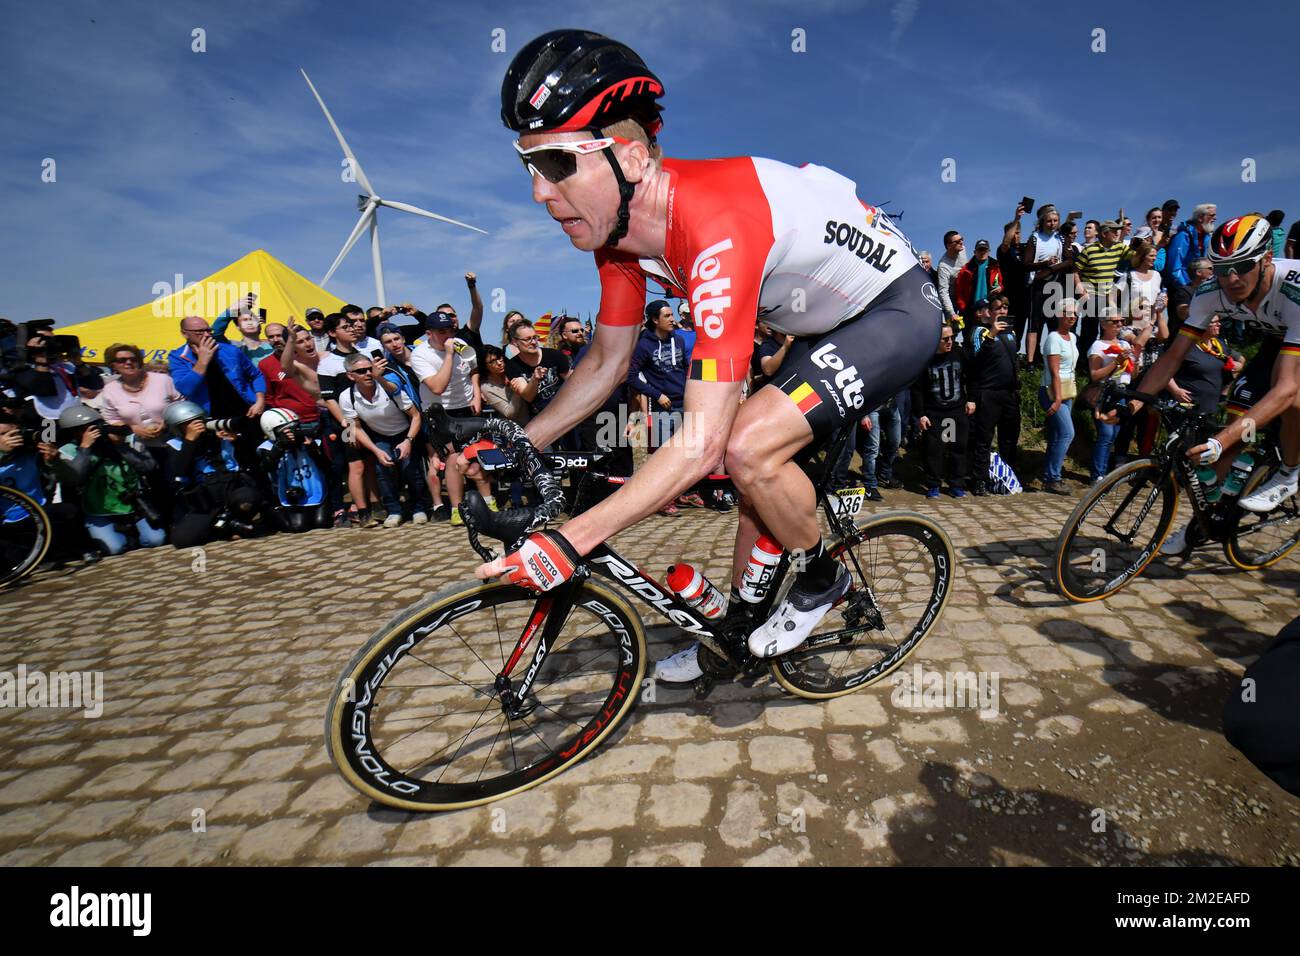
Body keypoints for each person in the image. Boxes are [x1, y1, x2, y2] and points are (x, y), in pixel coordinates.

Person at [484, 28, 940, 683]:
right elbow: (606, 362)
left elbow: (699, 444)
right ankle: (737, 634)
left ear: (632, 157)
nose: (538, 193)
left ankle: (822, 578)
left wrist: (572, 538)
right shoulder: (620, 241)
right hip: (824, 322)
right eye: (527, 166)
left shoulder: (714, 224)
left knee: (745, 446)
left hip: (896, 309)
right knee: (756, 474)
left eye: (557, 164)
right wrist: (524, 441)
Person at [1134, 214, 1300, 543]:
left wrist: (1219, 441)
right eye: (1223, 269)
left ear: (1267, 259)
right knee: (1237, 422)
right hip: (1277, 337)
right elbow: (1173, 356)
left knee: (1293, 397)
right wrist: (1133, 402)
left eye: (1243, 266)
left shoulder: (1293, 287)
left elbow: (1287, 386)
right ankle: (1203, 525)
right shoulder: (1211, 292)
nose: (1233, 278)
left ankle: (1290, 471)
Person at [51, 404, 166, 555]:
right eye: (84, 429)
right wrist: (85, 447)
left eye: (94, 426)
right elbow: (75, 478)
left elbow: (149, 467)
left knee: (156, 540)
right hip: (98, 510)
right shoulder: (68, 451)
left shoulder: (127, 441)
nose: (93, 432)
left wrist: (120, 445)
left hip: (135, 507)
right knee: (114, 548)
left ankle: (132, 535)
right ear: (74, 432)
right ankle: (125, 538)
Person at [338, 352, 431, 527]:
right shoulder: (346, 396)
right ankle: (394, 510)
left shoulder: (387, 389)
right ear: (350, 376)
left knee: (410, 469)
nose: (368, 374)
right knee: (382, 469)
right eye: (361, 371)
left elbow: (416, 416)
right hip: (379, 436)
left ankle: (419, 508)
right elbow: (355, 427)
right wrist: (375, 450)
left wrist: (408, 441)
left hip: (406, 432)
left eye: (370, 369)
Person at [162, 400, 264, 547]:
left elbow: (250, 461)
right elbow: (179, 471)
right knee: (182, 540)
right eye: (188, 424)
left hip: (230, 490)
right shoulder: (175, 445)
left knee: (249, 496)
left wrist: (236, 441)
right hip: (205, 501)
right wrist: (190, 440)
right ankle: (221, 527)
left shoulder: (219, 435)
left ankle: (237, 522)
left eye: (198, 421)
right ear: (177, 428)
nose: (196, 426)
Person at [965, 295, 1021, 495]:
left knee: (1009, 438)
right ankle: (978, 480)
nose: (1003, 311)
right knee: (983, 439)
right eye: (999, 308)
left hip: (1009, 394)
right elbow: (975, 363)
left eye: (1006, 307)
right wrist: (991, 335)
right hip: (988, 393)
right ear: (990, 311)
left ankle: (1007, 476)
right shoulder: (980, 332)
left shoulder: (1011, 332)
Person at [911, 324, 973, 498]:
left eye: (951, 337)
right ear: (935, 340)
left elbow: (972, 377)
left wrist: (972, 399)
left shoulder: (959, 354)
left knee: (957, 448)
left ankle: (956, 485)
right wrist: (921, 414)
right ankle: (933, 485)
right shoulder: (926, 359)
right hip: (935, 413)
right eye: (945, 339)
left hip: (956, 411)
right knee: (934, 450)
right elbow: (918, 389)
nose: (950, 341)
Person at [1086, 314, 1141, 482]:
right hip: (1105, 393)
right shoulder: (1097, 346)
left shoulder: (1124, 344)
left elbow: (1132, 375)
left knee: (1115, 434)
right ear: (1103, 324)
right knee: (1105, 433)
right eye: (1114, 321)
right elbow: (1095, 375)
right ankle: (1097, 475)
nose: (1119, 324)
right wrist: (1116, 362)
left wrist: (1135, 361)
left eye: (1121, 322)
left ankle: (1103, 472)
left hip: (1122, 392)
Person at [1038, 299, 1080, 494]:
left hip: (1067, 391)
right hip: (1052, 391)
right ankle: (1053, 477)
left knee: (1057, 434)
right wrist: (1056, 399)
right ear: (1059, 314)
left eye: (1074, 313)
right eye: (1068, 313)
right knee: (1067, 433)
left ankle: (1049, 475)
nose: (1072, 316)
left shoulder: (1073, 337)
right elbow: (1054, 372)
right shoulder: (1053, 338)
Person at [1073, 219, 1127, 356]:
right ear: (1104, 234)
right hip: (1091, 295)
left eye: (1117, 231)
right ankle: (1085, 362)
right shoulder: (1089, 250)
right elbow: (1075, 271)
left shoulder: (1119, 247)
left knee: (1108, 330)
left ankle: (1105, 360)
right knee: (1089, 331)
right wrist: (1081, 292)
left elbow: (1136, 257)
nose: (1116, 233)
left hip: (1108, 296)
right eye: (1113, 231)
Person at [1166, 203, 1217, 289]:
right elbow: (1174, 267)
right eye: (1211, 215)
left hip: (1197, 288)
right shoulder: (1183, 236)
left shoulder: (1206, 237)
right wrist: (1188, 287)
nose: (1215, 218)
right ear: (1200, 218)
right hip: (1182, 289)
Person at [936, 231, 967, 327]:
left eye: (961, 239)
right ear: (948, 246)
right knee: (953, 328)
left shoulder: (962, 249)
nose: (961, 243)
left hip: (964, 294)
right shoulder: (943, 266)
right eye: (957, 242)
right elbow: (943, 292)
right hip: (951, 298)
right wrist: (951, 313)